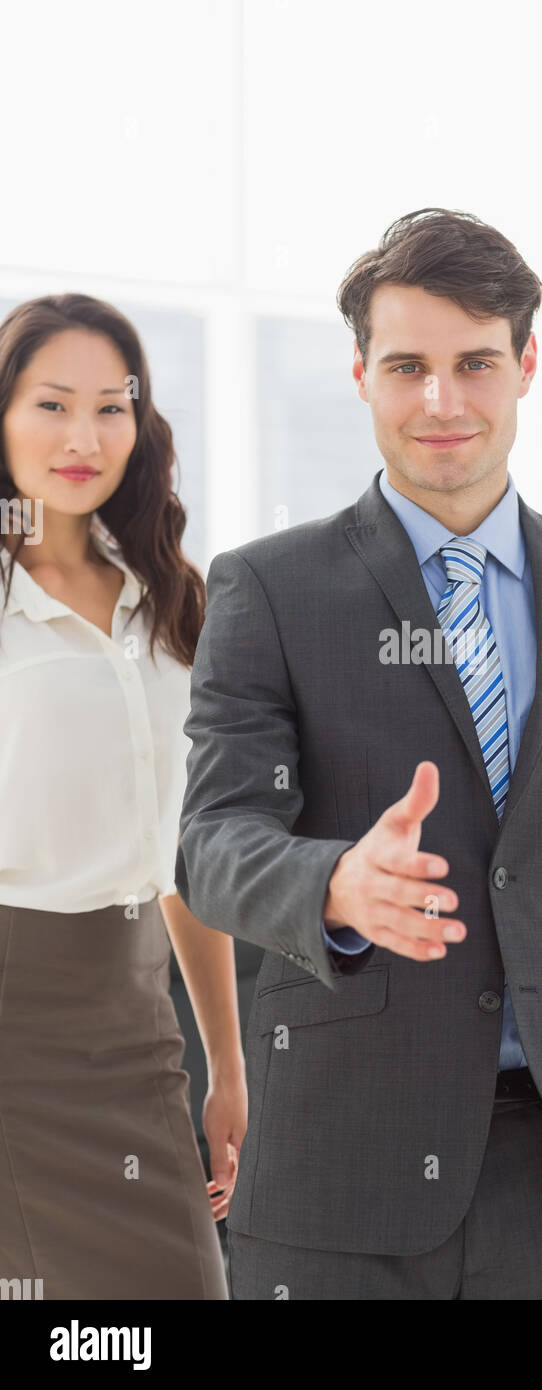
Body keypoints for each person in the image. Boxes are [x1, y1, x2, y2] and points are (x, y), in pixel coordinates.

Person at [176, 208, 542, 1301]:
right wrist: (334, 883)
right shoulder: (268, 588)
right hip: (339, 1182)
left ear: (526, 365)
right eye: (407, 367)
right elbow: (213, 846)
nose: (441, 401)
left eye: (475, 362)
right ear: (361, 375)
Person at [0, 294, 246, 1299]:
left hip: (139, 1031)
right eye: (52, 404)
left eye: (112, 408)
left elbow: (189, 850)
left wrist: (226, 1064)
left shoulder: (171, 600)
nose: (83, 437)